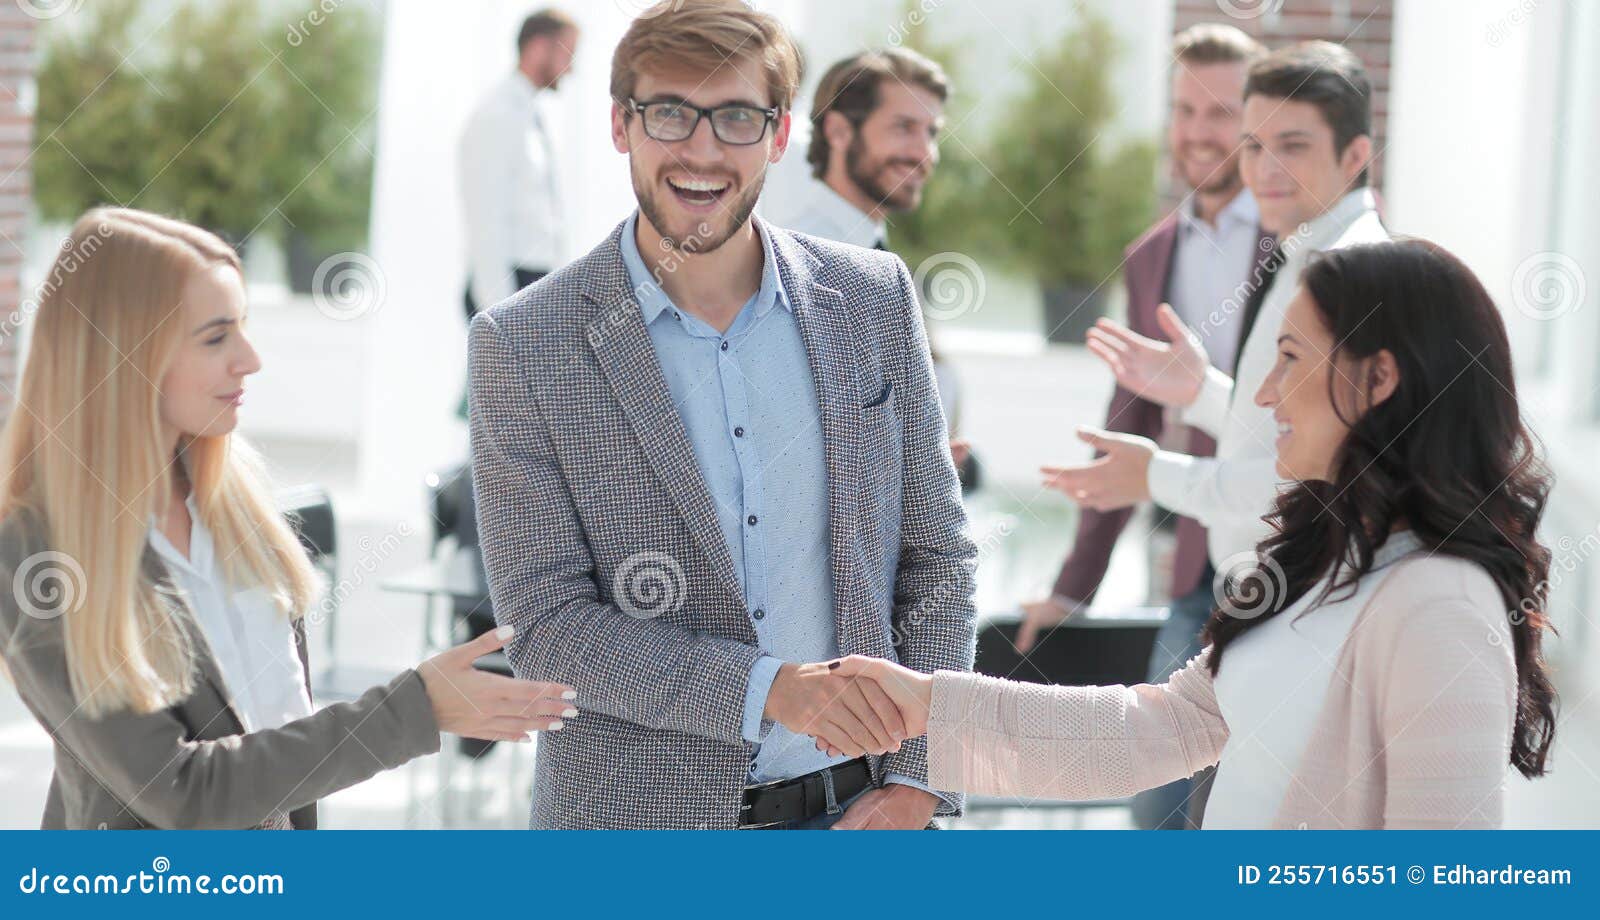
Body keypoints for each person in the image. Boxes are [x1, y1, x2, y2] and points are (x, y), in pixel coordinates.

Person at [833, 239, 1560, 829]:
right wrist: (926, 706)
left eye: (1291, 357)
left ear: (1379, 379)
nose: (1265, 391)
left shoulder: (1441, 607)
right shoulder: (1320, 560)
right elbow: (1159, 728)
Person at [467, 0, 975, 829]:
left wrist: (922, 780)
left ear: (779, 137)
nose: (701, 150)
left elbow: (936, 559)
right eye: (669, 112)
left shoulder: (873, 301)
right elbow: (549, 627)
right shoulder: (524, 344)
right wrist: (767, 690)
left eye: (737, 117)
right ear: (620, 125)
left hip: (863, 820)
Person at [0, 208, 574, 830]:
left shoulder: (238, 502)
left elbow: (282, 736)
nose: (250, 359)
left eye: (243, 327)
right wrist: (416, 709)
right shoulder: (35, 553)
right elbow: (183, 792)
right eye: (216, 337)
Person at [1017, 23, 1270, 831]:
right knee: (1161, 805)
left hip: (1312, 553)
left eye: (1222, 112)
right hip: (1206, 571)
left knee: (1279, 801)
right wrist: (1073, 586)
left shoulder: (1303, 240)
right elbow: (1129, 419)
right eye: (1185, 110)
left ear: (1258, 121)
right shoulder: (1152, 254)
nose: (1199, 132)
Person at [763, 48, 980, 490]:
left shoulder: (875, 253)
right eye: (904, 128)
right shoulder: (802, 263)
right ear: (839, 131)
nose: (925, 154)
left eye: (931, 132)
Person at [458, 8, 580, 321]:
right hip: (507, 289)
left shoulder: (531, 116)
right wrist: (499, 314)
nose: (571, 69)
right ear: (539, 47)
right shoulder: (498, 116)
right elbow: (485, 222)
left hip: (530, 286)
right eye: (568, 53)